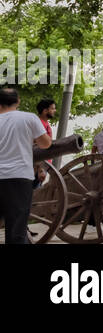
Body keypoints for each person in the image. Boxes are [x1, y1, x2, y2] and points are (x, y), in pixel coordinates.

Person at [0, 88, 52, 244]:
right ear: (18, 101)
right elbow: (45, 144)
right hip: (19, 177)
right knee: (16, 229)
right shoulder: (29, 118)